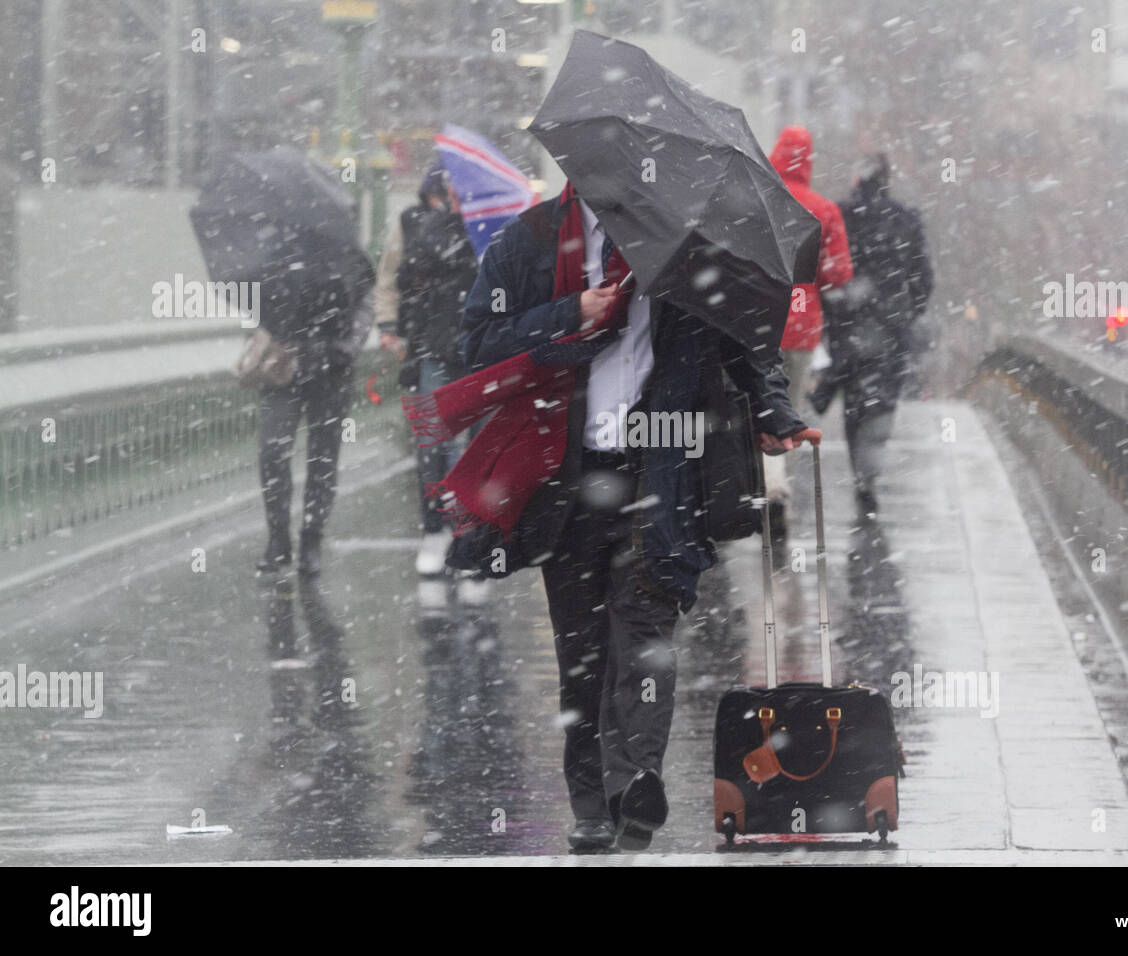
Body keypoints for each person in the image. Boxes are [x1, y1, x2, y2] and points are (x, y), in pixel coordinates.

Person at [445, 183, 819, 852]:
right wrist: (567, 315)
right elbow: (476, 342)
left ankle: (637, 777)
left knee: (645, 635)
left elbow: (745, 335)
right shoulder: (530, 241)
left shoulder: (684, 242)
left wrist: (775, 414)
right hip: (565, 481)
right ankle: (591, 803)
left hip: (660, 476)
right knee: (581, 656)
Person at [812, 152, 933, 518]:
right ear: (886, 179)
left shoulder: (840, 214)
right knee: (882, 400)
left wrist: (833, 307)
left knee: (853, 401)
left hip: (848, 321)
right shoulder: (907, 219)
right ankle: (869, 475)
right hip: (891, 327)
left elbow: (825, 268)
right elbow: (922, 278)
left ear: (857, 179)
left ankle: (859, 471)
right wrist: (910, 310)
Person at [375, 160, 480, 576]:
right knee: (433, 445)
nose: (451, 200)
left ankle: (462, 533)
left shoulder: (491, 231)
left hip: (475, 353)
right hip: (434, 350)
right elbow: (398, 278)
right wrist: (396, 329)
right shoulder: (421, 227)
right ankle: (437, 530)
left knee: (462, 449)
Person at [255, 240, 376, 579]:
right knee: (272, 451)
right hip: (284, 365)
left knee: (323, 456)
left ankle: (311, 540)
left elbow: (367, 300)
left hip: (333, 368)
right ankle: (278, 538)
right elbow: (256, 301)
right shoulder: (273, 251)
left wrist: (349, 344)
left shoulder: (347, 249)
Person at [764, 126, 853, 559]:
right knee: (792, 409)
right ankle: (781, 490)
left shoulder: (760, 200)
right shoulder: (823, 210)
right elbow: (839, 274)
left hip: (757, 321)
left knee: (755, 404)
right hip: (801, 325)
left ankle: (764, 481)